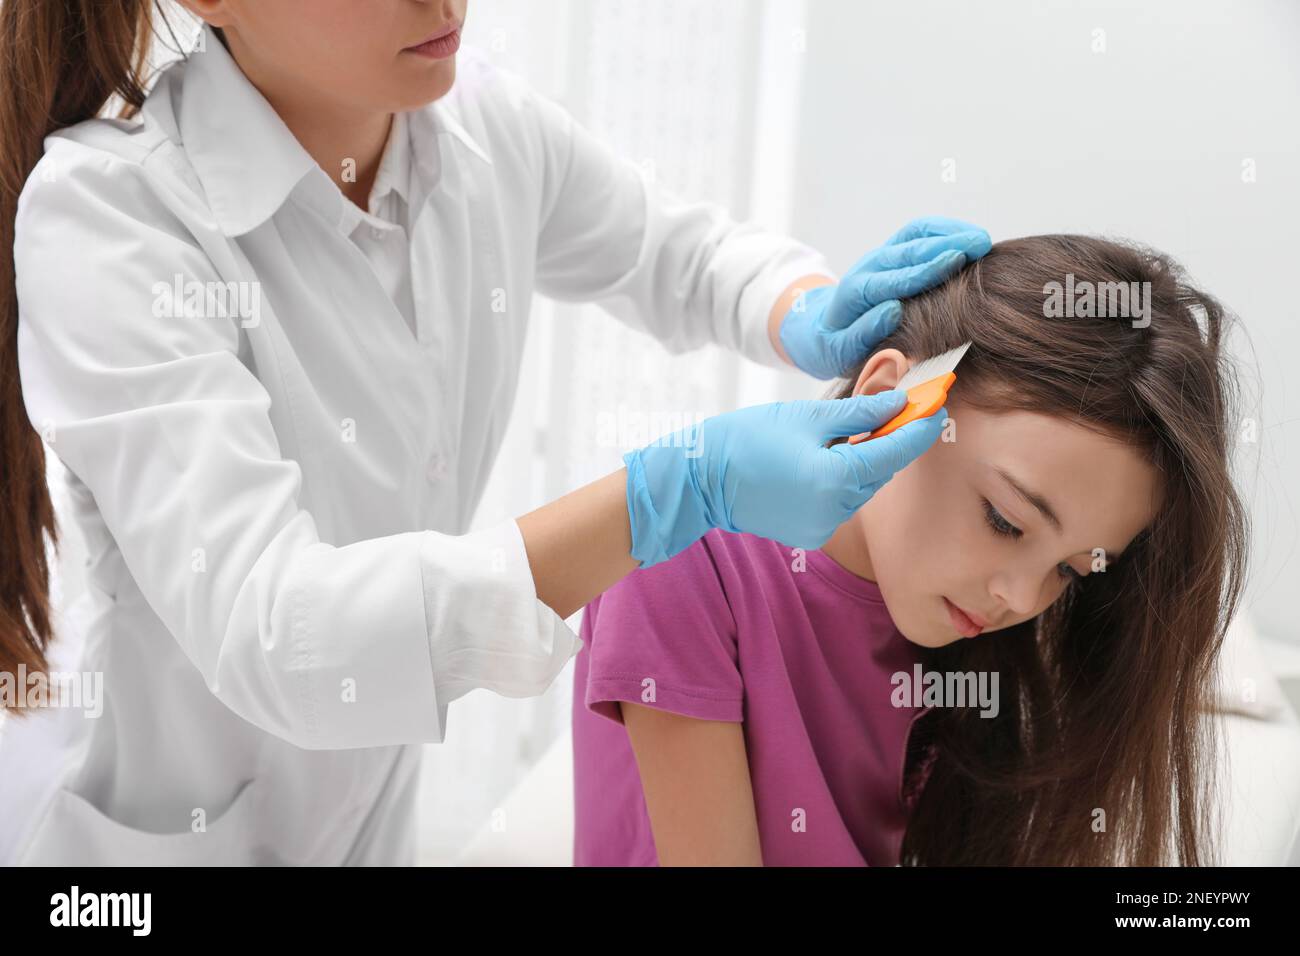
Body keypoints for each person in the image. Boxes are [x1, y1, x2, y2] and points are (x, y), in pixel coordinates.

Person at [0, 0, 989, 864]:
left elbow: (671, 252)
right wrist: (672, 492)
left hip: (363, 824)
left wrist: (811, 307)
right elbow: (281, 634)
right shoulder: (113, 219)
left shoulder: (477, 127)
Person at [572, 235, 1249, 866]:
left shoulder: (964, 636)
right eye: (1005, 520)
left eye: (1071, 570)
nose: (1020, 598)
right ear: (886, 399)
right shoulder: (683, 556)